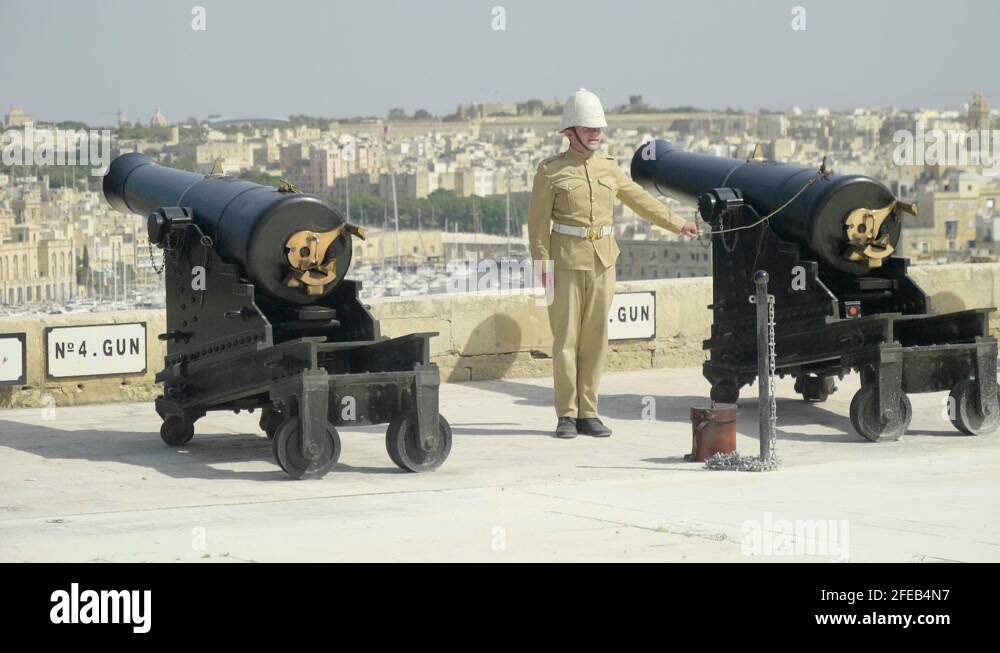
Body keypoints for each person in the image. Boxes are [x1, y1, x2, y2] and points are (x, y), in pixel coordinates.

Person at [528, 88, 698, 438]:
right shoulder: (551, 171)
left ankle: (589, 412)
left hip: (604, 261)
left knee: (596, 340)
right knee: (565, 341)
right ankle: (566, 414)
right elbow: (537, 226)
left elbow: (641, 201)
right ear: (569, 132)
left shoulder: (609, 168)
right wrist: (541, 268)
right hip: (564, 263)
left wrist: (678, 223)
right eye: (589, 128)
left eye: (599, 128)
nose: (597, 134)